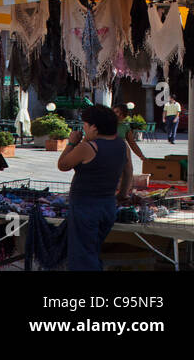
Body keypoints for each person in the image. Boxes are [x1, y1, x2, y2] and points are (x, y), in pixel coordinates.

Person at [58, 104, 130, 270]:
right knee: (92, 251)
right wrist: (122, 195)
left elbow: (63, 164)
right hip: (108, 205)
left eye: (85, 125)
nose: (83, 129)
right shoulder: (121, 145)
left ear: (94, 127)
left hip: (86, 208)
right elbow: (128, 172)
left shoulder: (88, 147)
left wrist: (71, 143)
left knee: (83, 257)